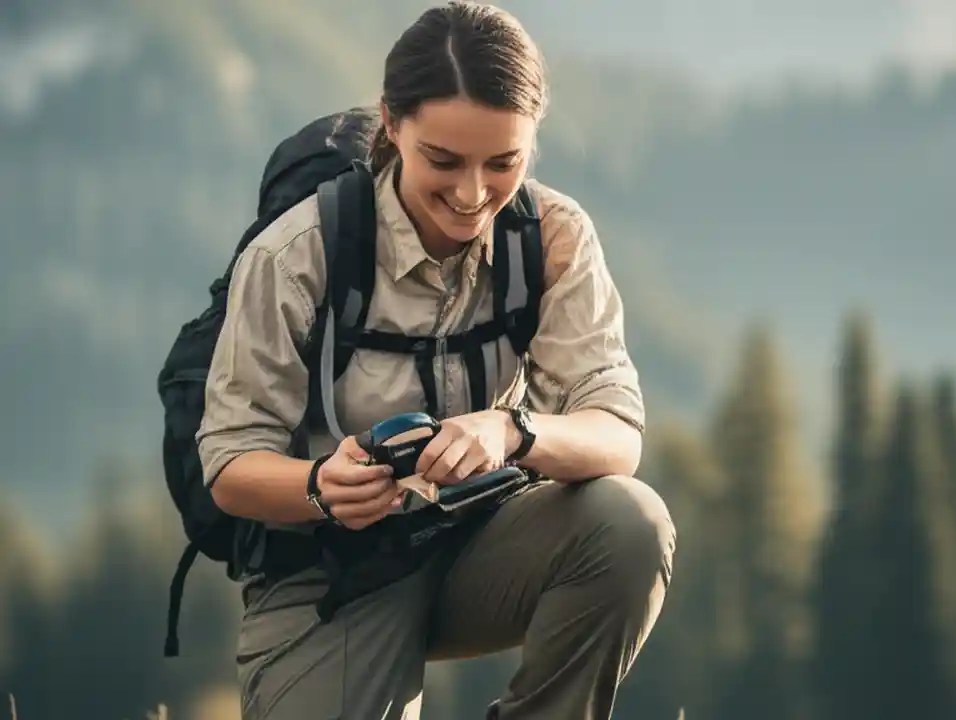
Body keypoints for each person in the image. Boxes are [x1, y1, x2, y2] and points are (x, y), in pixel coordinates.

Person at [194, 3, 676, 718]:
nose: (473, 194)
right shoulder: (297, 255)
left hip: (483, 542)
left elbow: (617, 434)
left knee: (630, 524)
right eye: (443, 161)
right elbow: (230, 466)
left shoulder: (553, 237)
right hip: (330, 571)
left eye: (504, 162)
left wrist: (513, 432)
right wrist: (322, 488)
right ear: (391, 124)